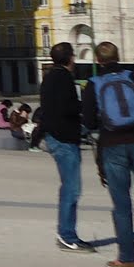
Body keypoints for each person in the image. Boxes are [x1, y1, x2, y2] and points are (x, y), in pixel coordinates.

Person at [81, 40, 134, 267]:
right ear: (118, 56)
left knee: (122, 204)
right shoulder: (133, 76)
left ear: (98, 60)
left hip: (113, 143)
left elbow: (87, 121)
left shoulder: (94, 83)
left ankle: (126, 258)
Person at [39, 43, 94, 252]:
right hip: (64, 138)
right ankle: (66, 235)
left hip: (57, 136)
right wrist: (83, 107)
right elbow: (66, 107)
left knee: (69, 188)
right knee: (72, 189)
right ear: (70, 59)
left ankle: (66, 233)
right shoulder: (63, 78)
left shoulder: (50, 77)